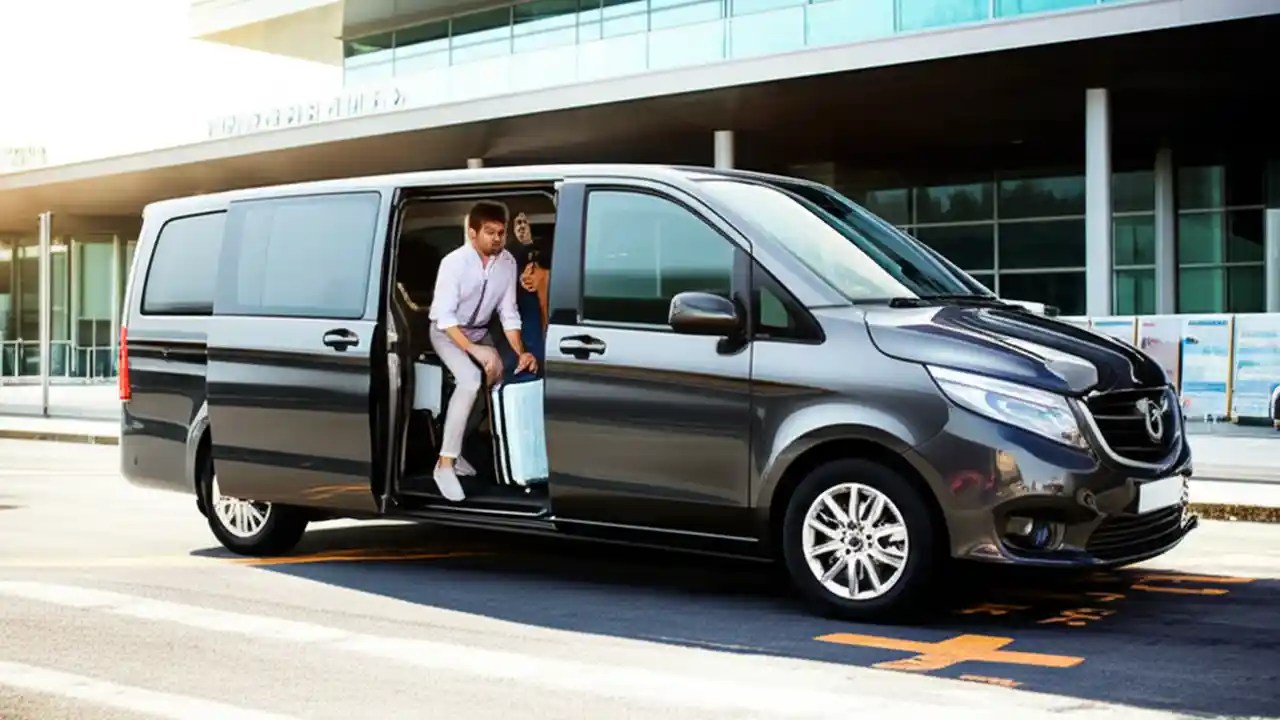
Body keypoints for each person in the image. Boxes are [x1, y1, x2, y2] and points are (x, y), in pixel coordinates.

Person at [428, 200, 538, 501]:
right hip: (447, 333)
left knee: (494, 383)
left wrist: (521, 351)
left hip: (479, 333)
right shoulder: (454, 263)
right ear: (473, 233)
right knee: (470, 380)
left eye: (501, 233)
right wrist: (476, 351)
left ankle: (459, 448)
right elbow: (445, 318)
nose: (497, 238)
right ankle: (444, 463)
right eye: (489, 232)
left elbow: (508, 312)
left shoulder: (507, 264)